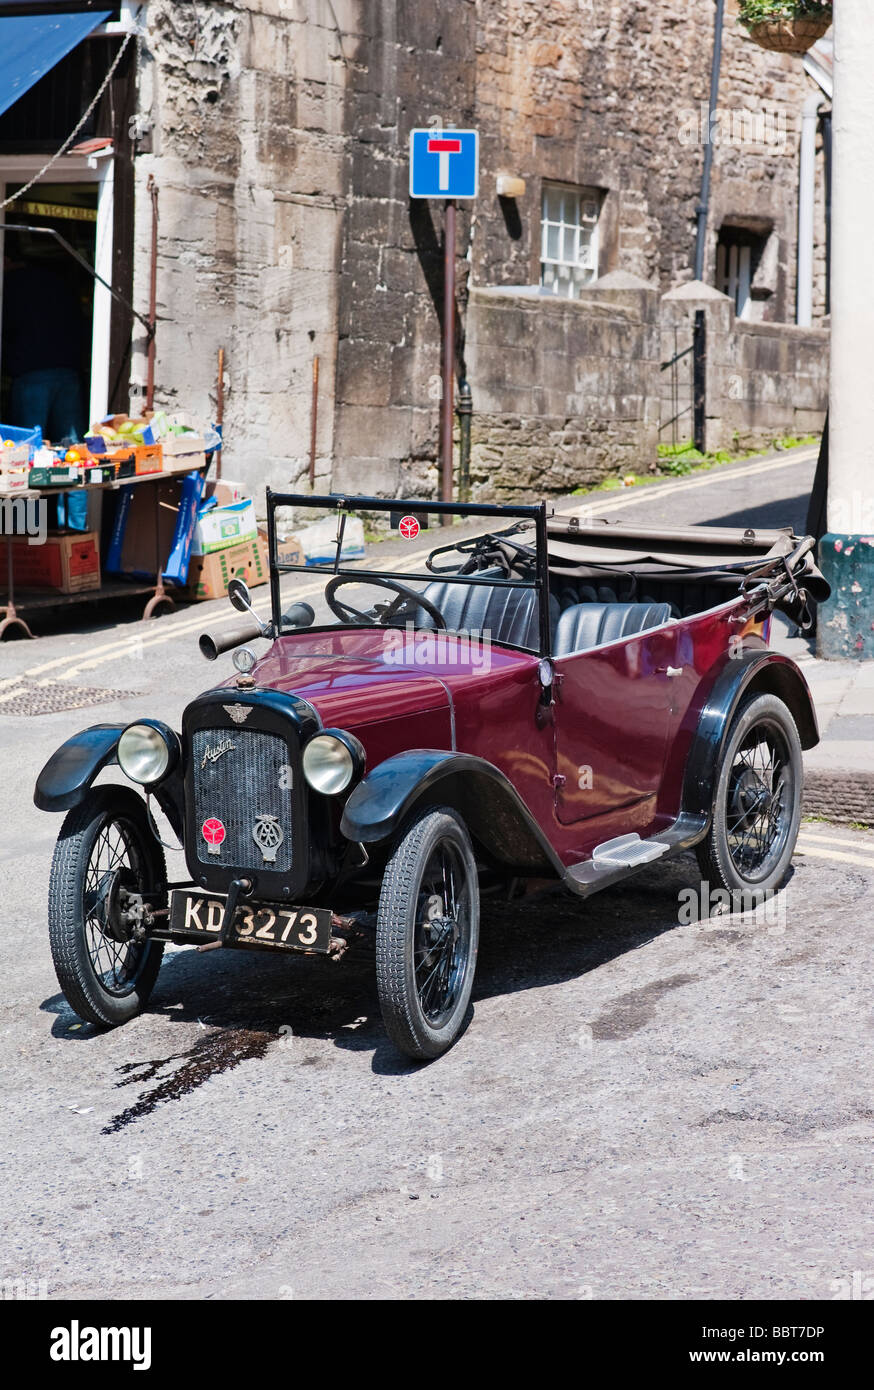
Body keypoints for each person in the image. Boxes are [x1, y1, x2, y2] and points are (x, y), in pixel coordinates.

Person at [2, 251, 87, 443]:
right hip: (67, 367)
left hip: (32, 369)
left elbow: (8, 323)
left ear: (5, 258)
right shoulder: (55, 280)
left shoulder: (9, 285)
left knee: (26, 443)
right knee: (72, 443)